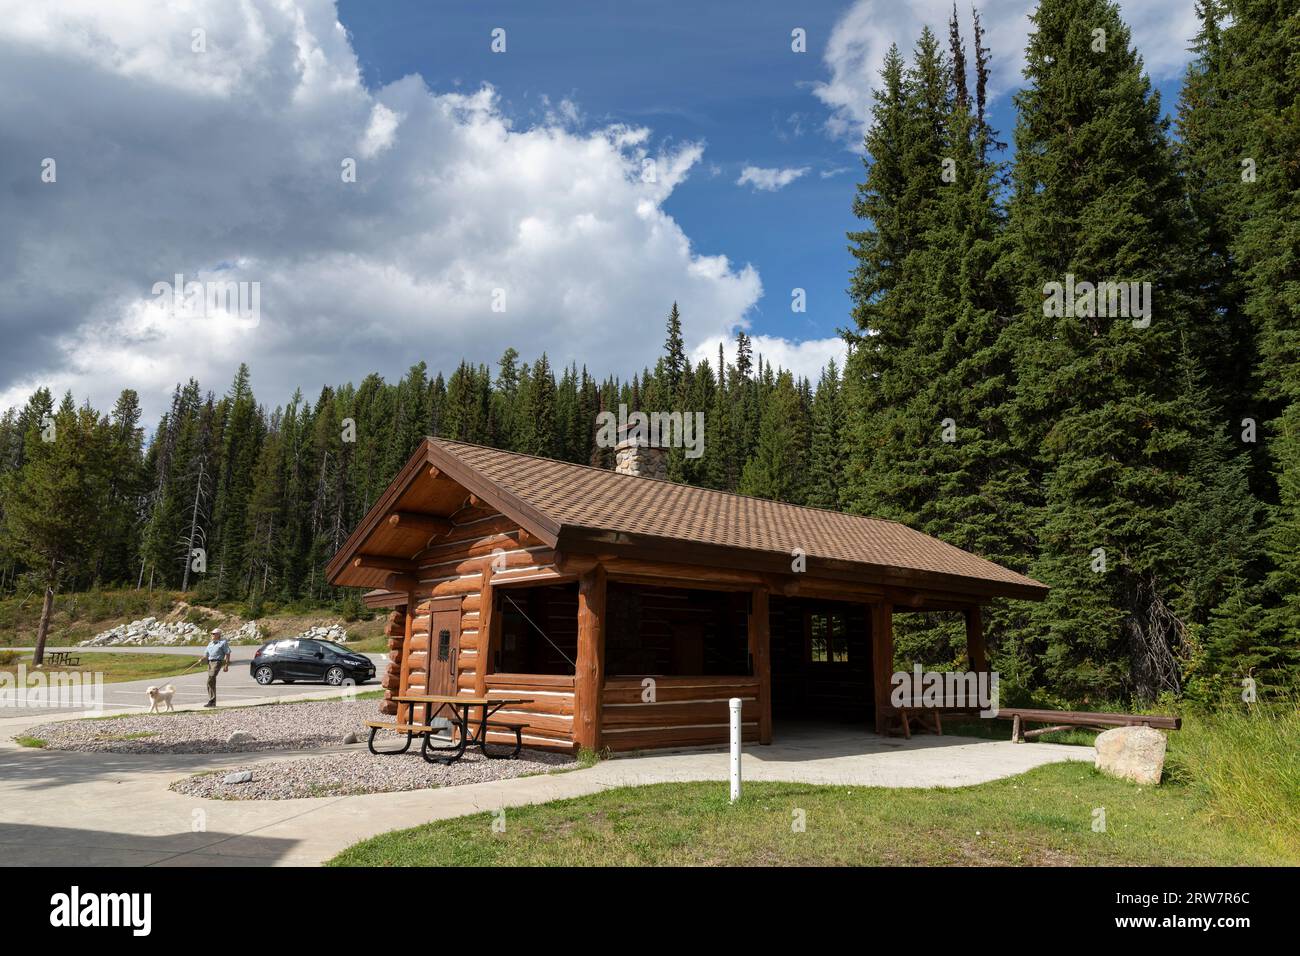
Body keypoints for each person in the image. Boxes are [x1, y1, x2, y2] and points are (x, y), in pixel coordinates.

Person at [200, 628, 231, 708]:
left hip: (217, 662)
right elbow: (206, 654)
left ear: (218, 635)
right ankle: (212, 701)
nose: (212, 635)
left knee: (211, 678)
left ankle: (212, 701)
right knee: (210, 682)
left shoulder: (223, 643)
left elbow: (227, 653)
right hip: (210, 663)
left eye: (214, 634)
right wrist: (201, 659)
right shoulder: (210, 644)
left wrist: (226, 665)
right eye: (211, 634)